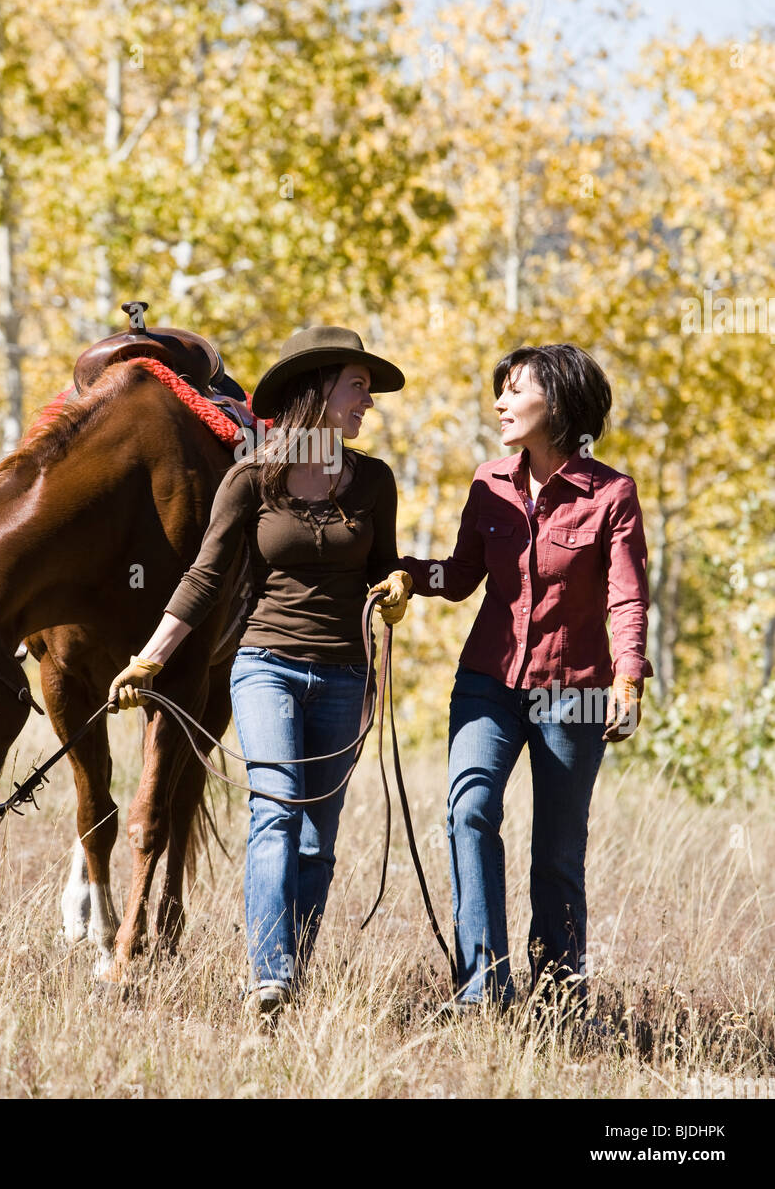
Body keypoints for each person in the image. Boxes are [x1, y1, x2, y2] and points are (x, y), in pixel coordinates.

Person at [108, 325, 414, 1025]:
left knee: (318, 838)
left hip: (344, 674)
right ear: (317, 392)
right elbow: (205, 575)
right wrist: (151, 654)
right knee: (275, 811)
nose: (368, 401)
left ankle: (291, 979)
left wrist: (396, 584)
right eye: (358, 385)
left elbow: (384, 564)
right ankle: (267, 978)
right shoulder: (253, 476)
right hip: (266, 664)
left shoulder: (373, 481)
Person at [397, 343, 652, 1018]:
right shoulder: (490, 482)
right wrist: (399, 572)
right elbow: (459, 576)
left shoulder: (611, 494)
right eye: (498, 391)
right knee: (468, 810)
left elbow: (626, 598)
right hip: (487, 682)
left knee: (558, 853)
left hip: (574, 691)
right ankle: (482, 989)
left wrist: (628, 677)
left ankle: (559, 1002)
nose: (500, 403)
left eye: (515, 390)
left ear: (560, 402)